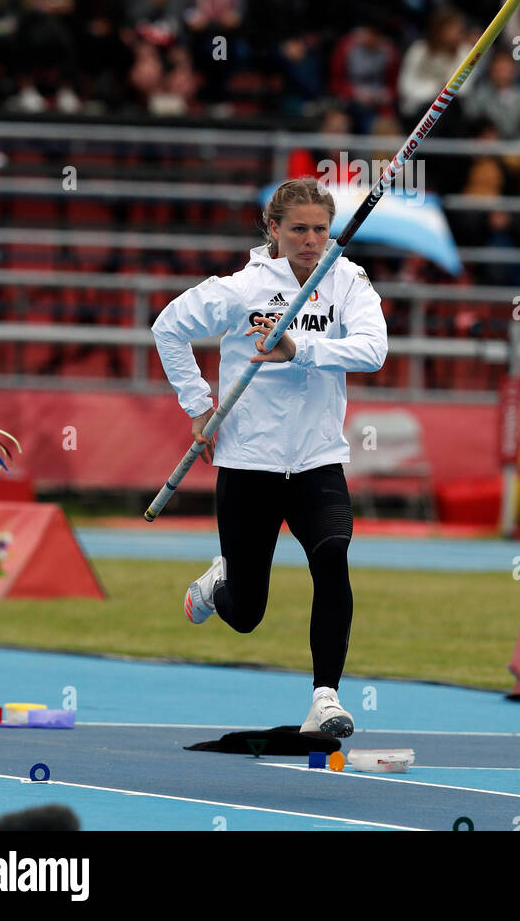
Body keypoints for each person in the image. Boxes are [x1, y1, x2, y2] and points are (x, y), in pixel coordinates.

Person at [151, 177, 388, 739]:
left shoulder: (348, 281)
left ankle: (325, 698)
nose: (311, 240)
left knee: (332, 561)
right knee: (247, 612)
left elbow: (373, 350)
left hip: (318, 461)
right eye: (299, 229)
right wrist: (199, 405)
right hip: (249, 462)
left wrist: (298, 349)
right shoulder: (241, 288)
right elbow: (168, 327)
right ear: (274, 230)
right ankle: (219, 585)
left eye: (320, 229)